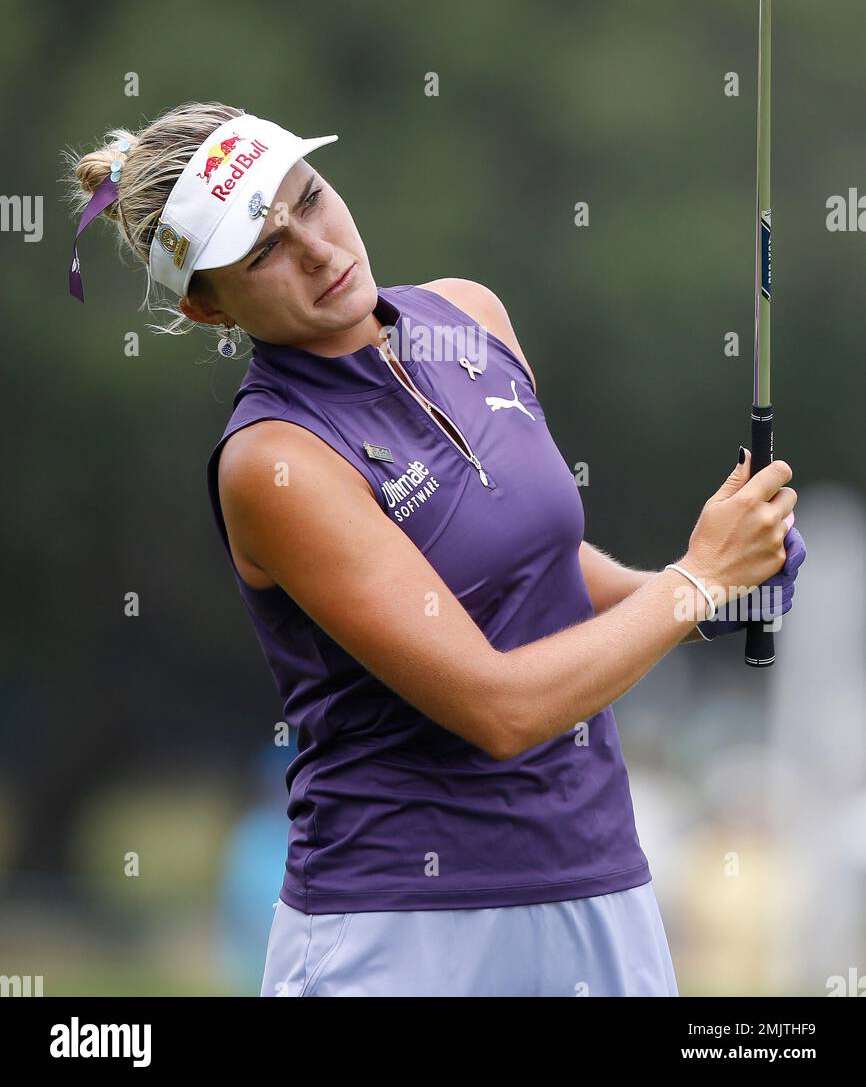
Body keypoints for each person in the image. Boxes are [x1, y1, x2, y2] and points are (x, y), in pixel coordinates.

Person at [64, 102, 806, 997]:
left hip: (601, 883)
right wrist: (692, 583)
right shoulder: (273, 461)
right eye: (262, 250)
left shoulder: (471, 314)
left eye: (312, 198)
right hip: (401, 927)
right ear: (206, 304)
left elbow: (543, 578)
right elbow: (499, 710)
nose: (318, 249)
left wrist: (720, 593)